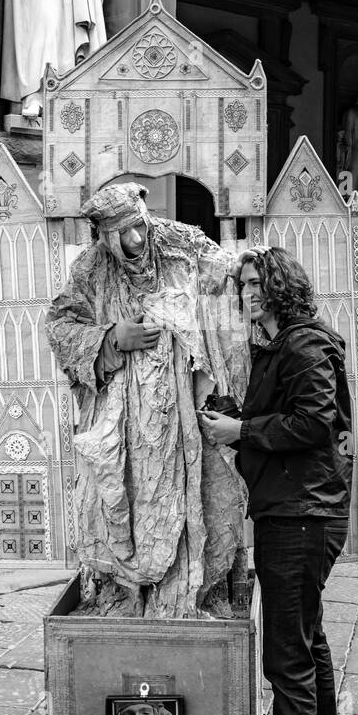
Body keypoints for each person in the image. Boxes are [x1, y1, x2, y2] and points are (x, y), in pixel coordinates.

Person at [199, 246, 351, 715]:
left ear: (283, 287)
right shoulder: (278, 348)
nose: (248, 293)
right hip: (293, 510)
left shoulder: (305, 345)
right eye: (244, 285)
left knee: (286, 660)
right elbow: (287, 416)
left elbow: (315, 422)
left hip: (302, 516)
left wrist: (241, 432)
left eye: (259, 283)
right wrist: (241, 416)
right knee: (308, 648)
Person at [46, 180, 249, 619]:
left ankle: (196, 590)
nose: (136, 239)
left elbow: (222, 269)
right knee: (124, 501)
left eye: (139, 226)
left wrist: (240, 266)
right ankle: (124, 591)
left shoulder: (180, 240)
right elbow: (60, 326)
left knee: (201, 496)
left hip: (185, 408)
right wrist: (110, 338)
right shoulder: (90, 270)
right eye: (123, 234)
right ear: (104, 236)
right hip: (124, 417)